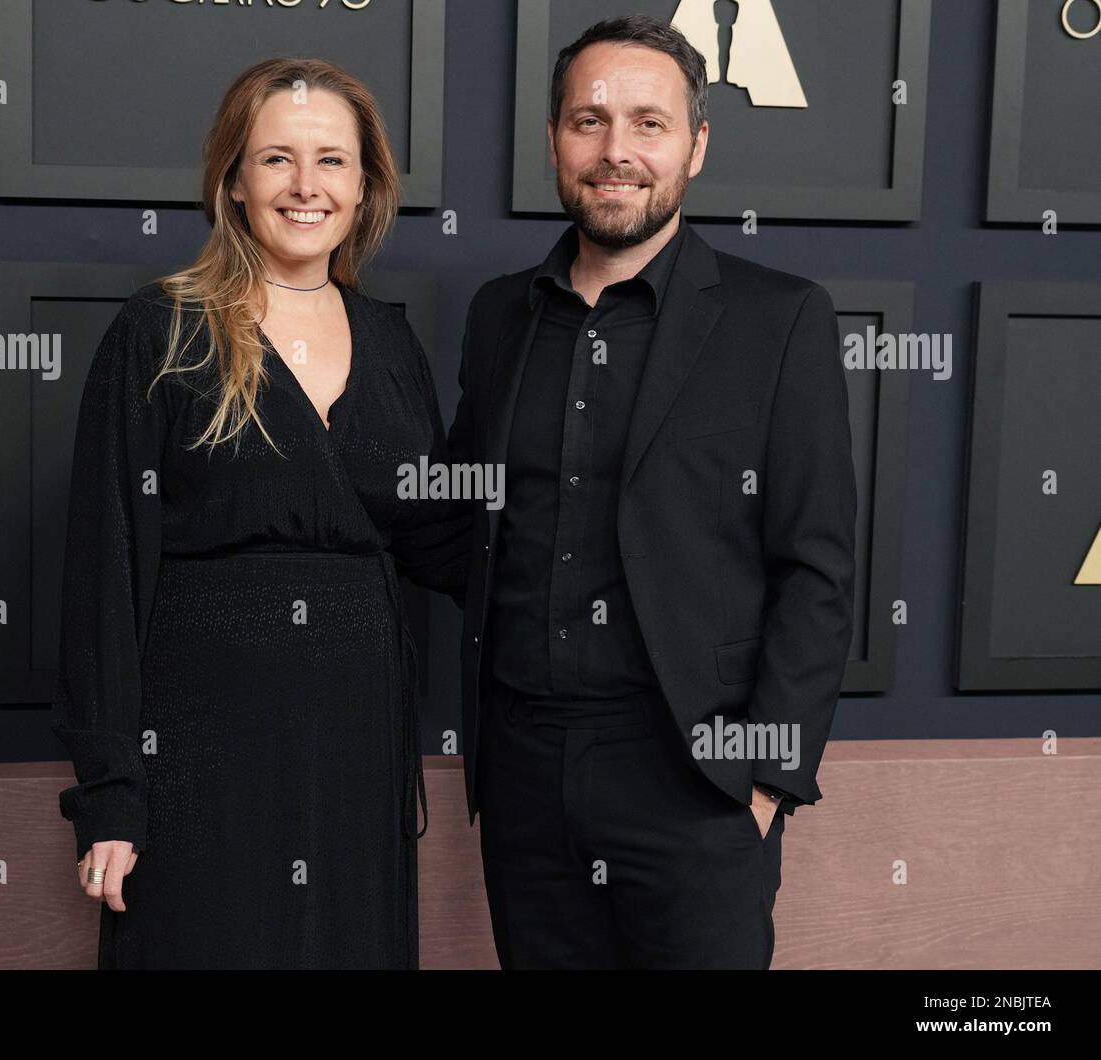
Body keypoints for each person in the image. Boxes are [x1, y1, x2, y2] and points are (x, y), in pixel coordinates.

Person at [446, 15, 856, 968]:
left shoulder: (779, 318)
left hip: (695, 781)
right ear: (552, 139)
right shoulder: (500, 313)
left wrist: (763, 785)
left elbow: (817, 569)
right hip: (523, 773)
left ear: (697, 145)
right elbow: (461, 520)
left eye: (648, 123)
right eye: (588, 121)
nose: (615, 151)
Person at [50, 57, 468, 969]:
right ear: (235, 183)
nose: (306, 186)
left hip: (359, 742)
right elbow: (104, 574)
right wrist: (112, 795)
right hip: (201, 744)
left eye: (332, 161)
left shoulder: (392, 342)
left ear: (366, 185)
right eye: (277, 159)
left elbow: (444, 540)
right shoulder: (159, 331)